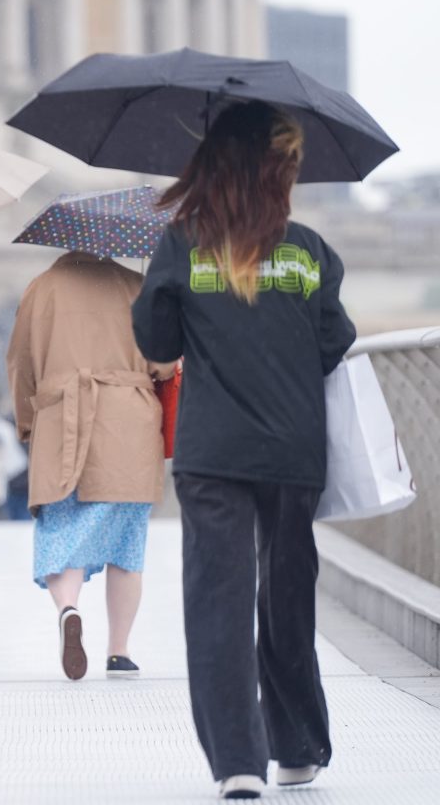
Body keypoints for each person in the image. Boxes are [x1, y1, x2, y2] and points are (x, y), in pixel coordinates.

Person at [132, 101, 355, 800]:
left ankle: (237, 763)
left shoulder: (182, 243)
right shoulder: (311, 250)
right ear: (275, 171)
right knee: (286, 597)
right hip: (293, 449)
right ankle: (297, 746)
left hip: (212, 450)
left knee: (217, 602)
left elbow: (157, 342)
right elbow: (332, 343)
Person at [6, 251, 174, 683]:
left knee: (61, 528)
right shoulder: (136, 287)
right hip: (129, 427)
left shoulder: (41, 289)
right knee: (127, 548)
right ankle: (119, 652)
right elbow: (163, 360)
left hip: (62, 420)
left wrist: (28, 425)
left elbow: (21, 365)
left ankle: (69, 609)